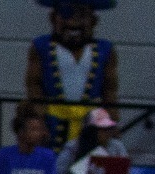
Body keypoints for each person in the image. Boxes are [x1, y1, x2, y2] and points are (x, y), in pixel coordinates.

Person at [27, 0, 119, 148]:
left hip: (91, 124)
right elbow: (34, 86)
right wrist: (38, 118)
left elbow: (110, 91)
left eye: (82, 15)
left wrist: (112, 121)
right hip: (52, 122)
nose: (73, 22)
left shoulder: (105, 50)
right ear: (53, 18)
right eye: (65, 14)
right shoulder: (40, 47)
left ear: (94, 21)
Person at [58, 107, 132, 174]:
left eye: (108, 128)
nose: (107, 132)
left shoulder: (117, 147)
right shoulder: (72, 147)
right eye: (102, 129)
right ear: (90, 130)